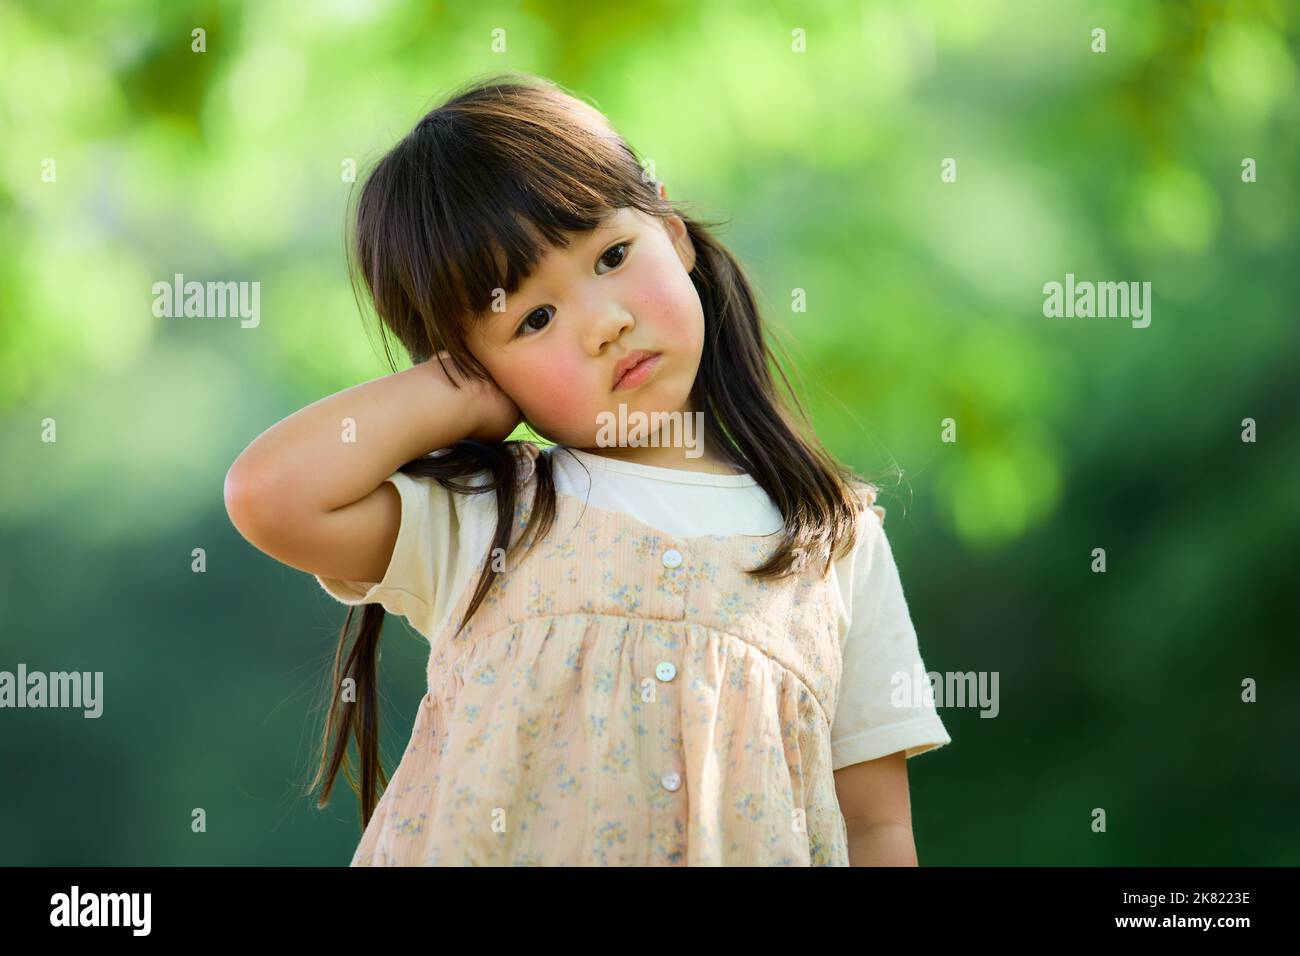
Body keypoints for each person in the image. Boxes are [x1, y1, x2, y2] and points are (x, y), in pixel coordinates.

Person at [224, 71, 950, 866]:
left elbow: (877, 826)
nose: (605, 323)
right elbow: (270, 493)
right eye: (533, 318)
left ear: (673, 234)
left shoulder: (834, 542)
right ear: (476, 365)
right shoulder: (488, 519)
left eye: (612, 254)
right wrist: (458, 393)